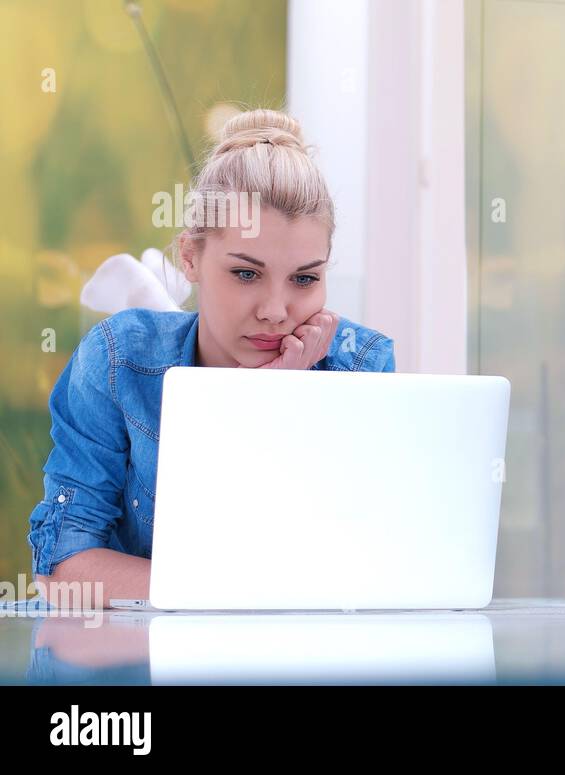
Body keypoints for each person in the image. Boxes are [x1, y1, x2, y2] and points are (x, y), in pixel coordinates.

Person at [27, 108, 396, 606]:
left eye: (305, 279)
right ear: (190, 257)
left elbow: (371, 568)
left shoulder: (357, 370)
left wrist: (288, 407)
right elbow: (64, 566)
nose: (275, 311)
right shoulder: (122, 362)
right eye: (246, 274)